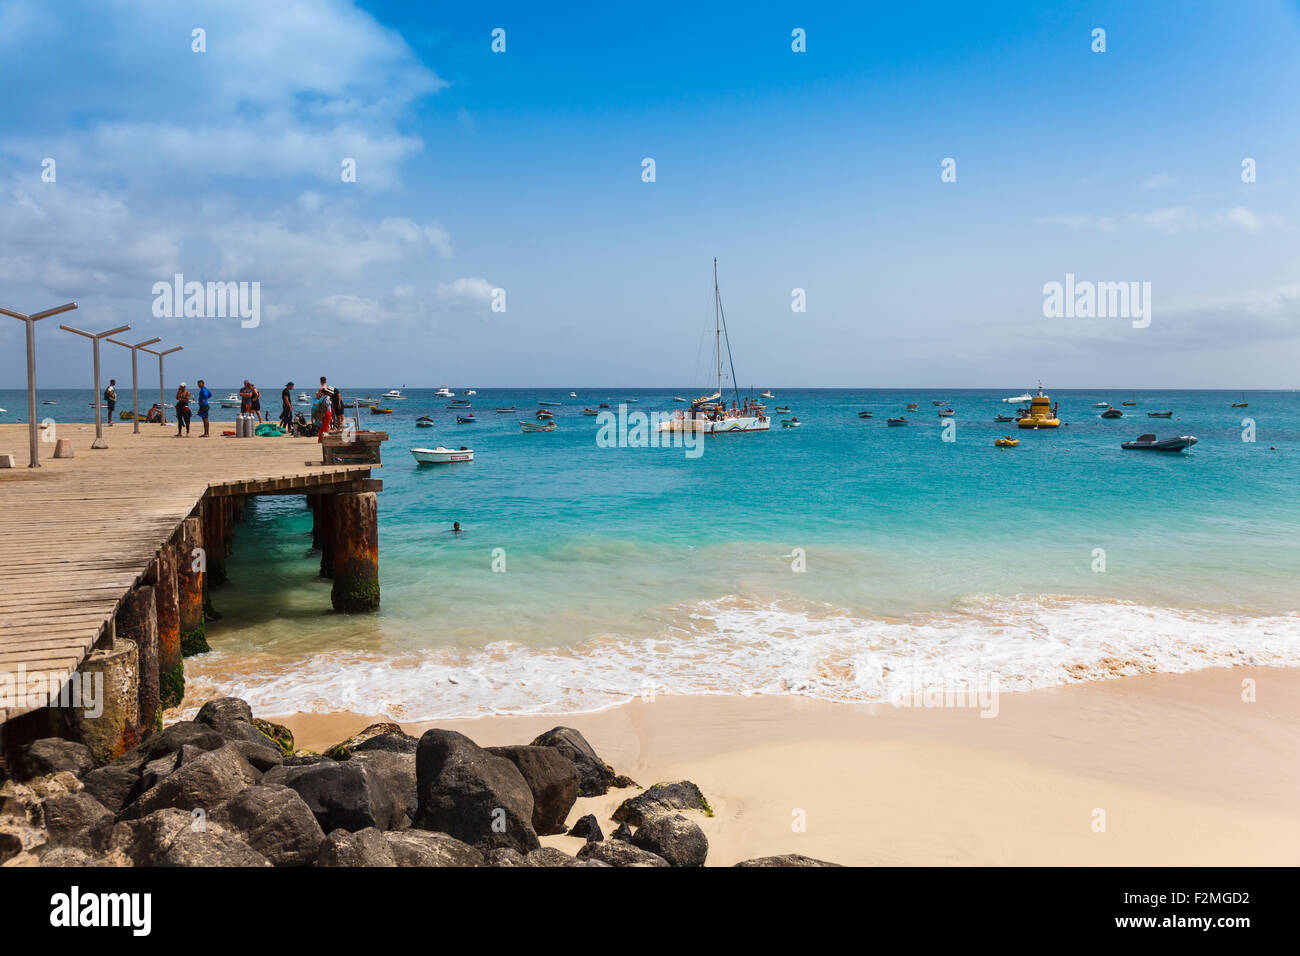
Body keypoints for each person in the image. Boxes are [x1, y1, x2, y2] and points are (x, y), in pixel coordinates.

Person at [316, 376, 336, 442]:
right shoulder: (327, 397)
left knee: (323, 426)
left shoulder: (322, 393)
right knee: (326, 426)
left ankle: (320, 439)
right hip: (327, 412)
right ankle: (324, 439)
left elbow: (317, 398)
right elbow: (328, 405)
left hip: (323, 412)